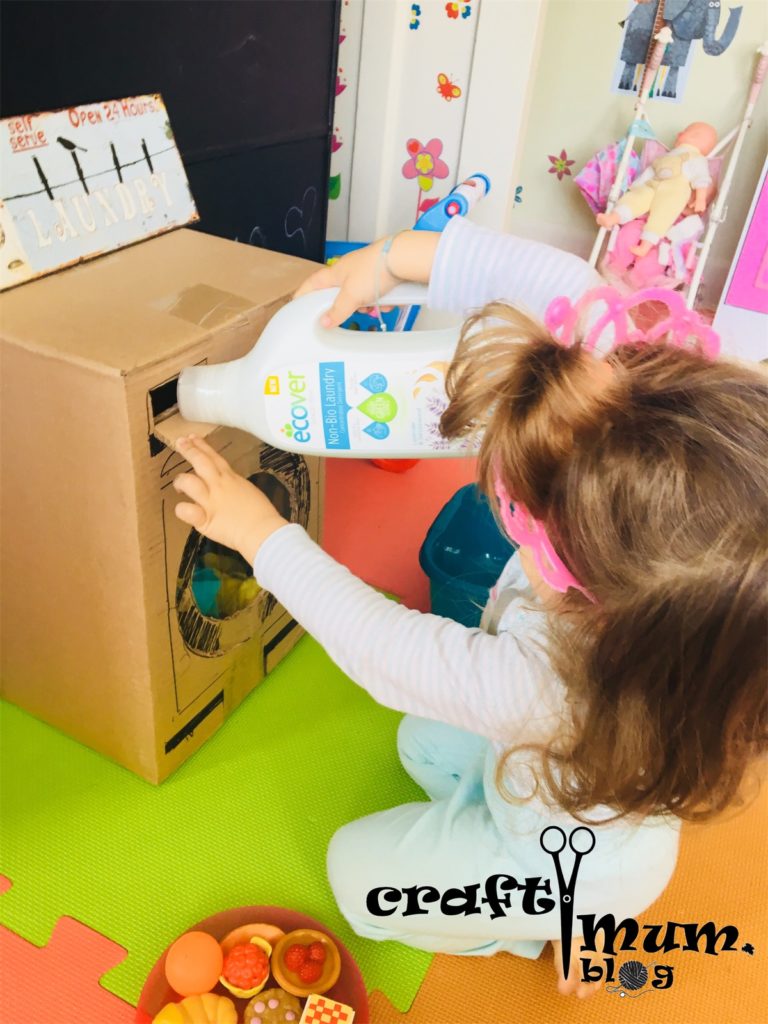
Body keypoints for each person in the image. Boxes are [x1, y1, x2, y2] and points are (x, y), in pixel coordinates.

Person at [172, 217, 768, 999]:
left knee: (356, 878)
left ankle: (558, 924)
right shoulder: (648, 430)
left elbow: (386, 650)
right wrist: (390, 262)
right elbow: (563, 286)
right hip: (550, 790)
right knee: (420, 744)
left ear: (607, 610)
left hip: (563, 868)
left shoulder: (558, 687)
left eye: (526, 516)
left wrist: (262, 537)